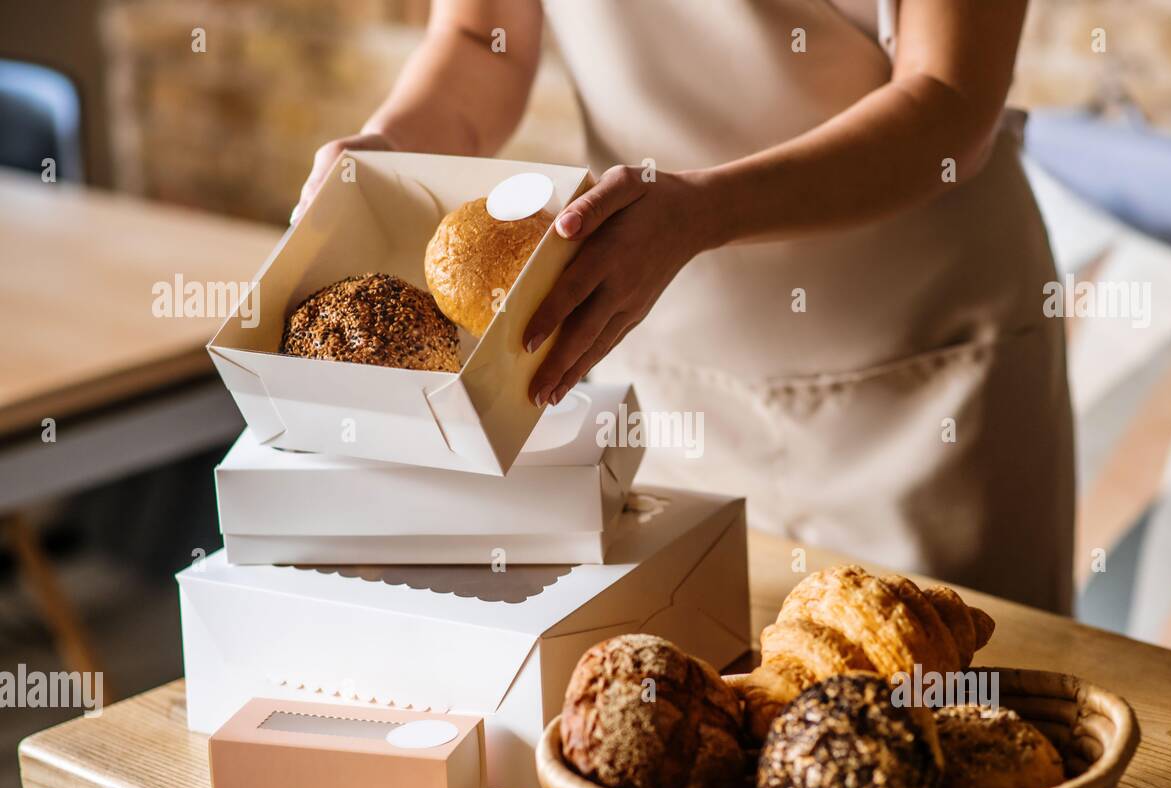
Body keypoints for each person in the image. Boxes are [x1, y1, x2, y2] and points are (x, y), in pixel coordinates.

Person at [294, 0, 1074, 614]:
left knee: (958, 739)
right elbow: (476, 37)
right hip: (657, 380)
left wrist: (706, 211)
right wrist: (388, 148)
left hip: (926, 393)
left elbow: (950, 101)